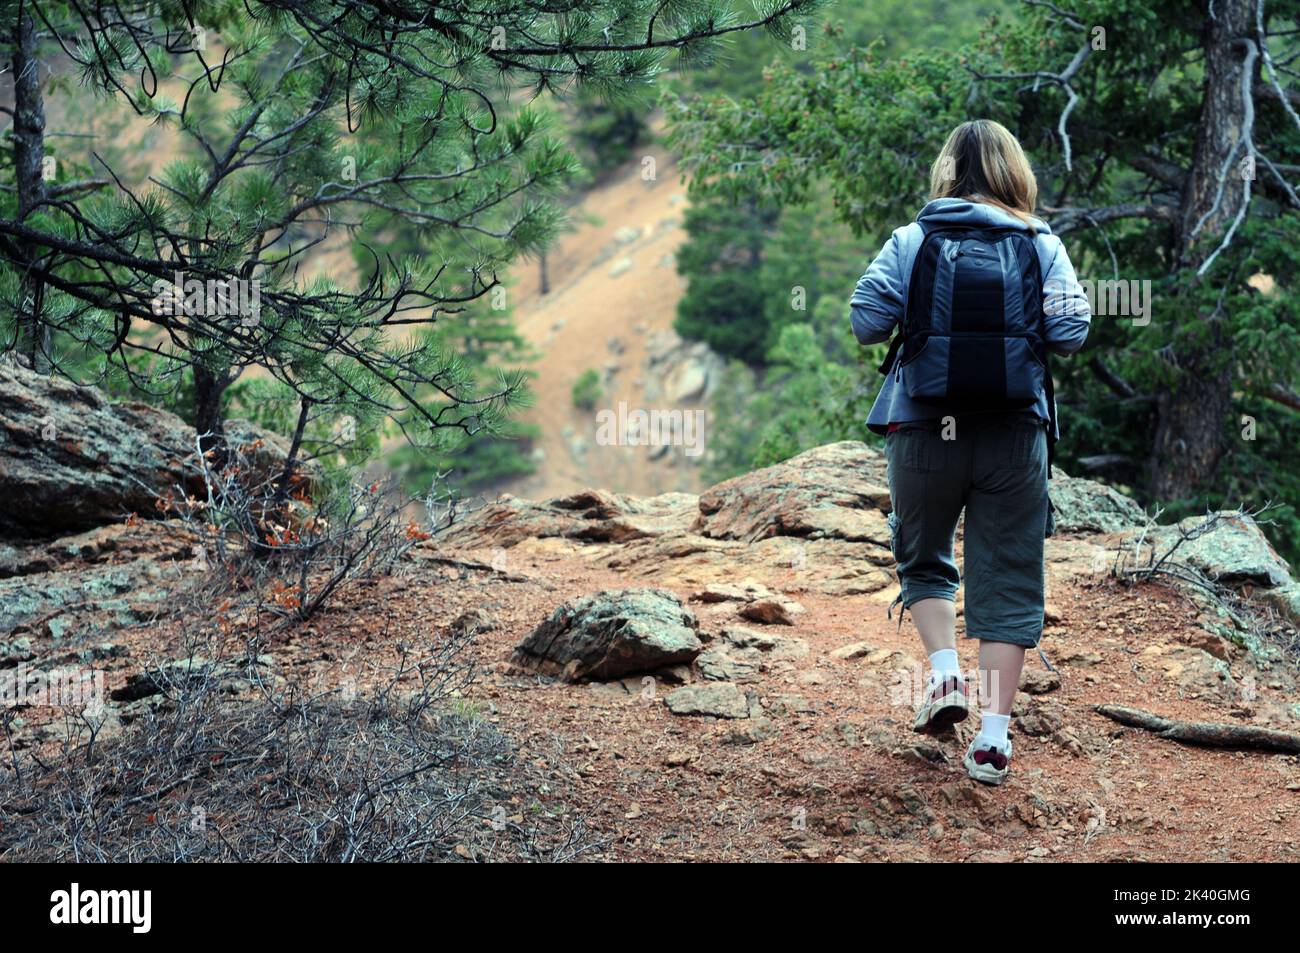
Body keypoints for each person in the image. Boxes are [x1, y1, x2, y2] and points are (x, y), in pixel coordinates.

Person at [848, 119, 1091, 785]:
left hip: (925, 427)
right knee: (1009, 573)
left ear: (947, 171)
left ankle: (946, 674)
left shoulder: (915, 237)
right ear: (1015, 172)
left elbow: (867, 321)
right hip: (1014, 433)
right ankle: (991, 740)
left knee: (924, 554)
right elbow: (1071, 329)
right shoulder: (1041, 242)